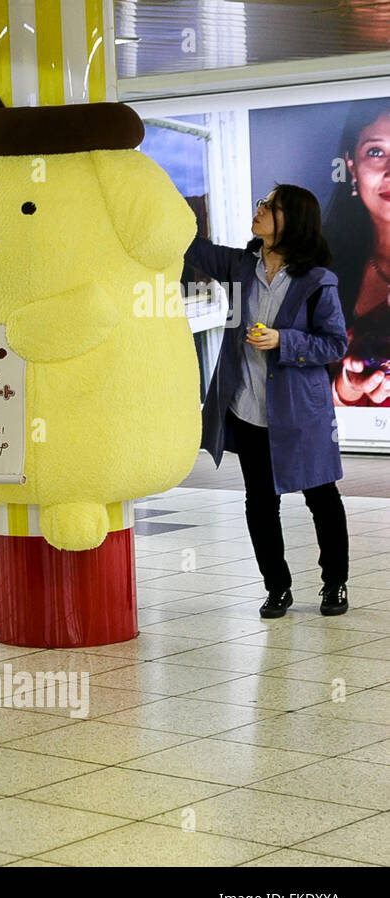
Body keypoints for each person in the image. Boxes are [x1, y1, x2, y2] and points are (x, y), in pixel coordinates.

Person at [186, 185, 350, 618]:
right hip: (248, 408)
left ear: (291, 221)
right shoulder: (240, 266)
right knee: (260, 501)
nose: (258, 210)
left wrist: (284, 341)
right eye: (261, 202)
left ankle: (334, 583)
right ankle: (277, 587)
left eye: (269, 207)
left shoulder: (317, 280)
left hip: (301, 413)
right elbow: (188, 244)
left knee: (322, 497)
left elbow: (334, 344)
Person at [327, 98, 390, 406]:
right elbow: (299, 404)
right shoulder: (322, 271)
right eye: (376, 152)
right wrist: (347, 388)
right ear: (352, 165)